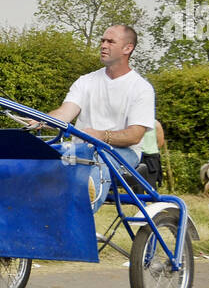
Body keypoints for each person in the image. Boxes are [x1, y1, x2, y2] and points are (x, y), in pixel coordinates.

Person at [34, 24, 155, 204]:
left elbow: (135, 135)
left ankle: (83, 210)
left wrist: (100, 135)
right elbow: (64, 113)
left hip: (122, 152)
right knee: (45, 156)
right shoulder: (85, 81)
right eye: (103, 41)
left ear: (127, 48)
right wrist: (42, 121)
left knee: (100, 161)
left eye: (111, 41)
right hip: (82, 149)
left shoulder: (141, 88)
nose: (103, 45)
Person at [136, 120, 166, 188]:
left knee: (151, 185)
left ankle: (152, 199)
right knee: (137, 185)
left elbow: (160, 143)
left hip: (151, 158)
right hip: (137, 157)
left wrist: (149, 149)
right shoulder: (135, 123)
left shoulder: (156, 124)